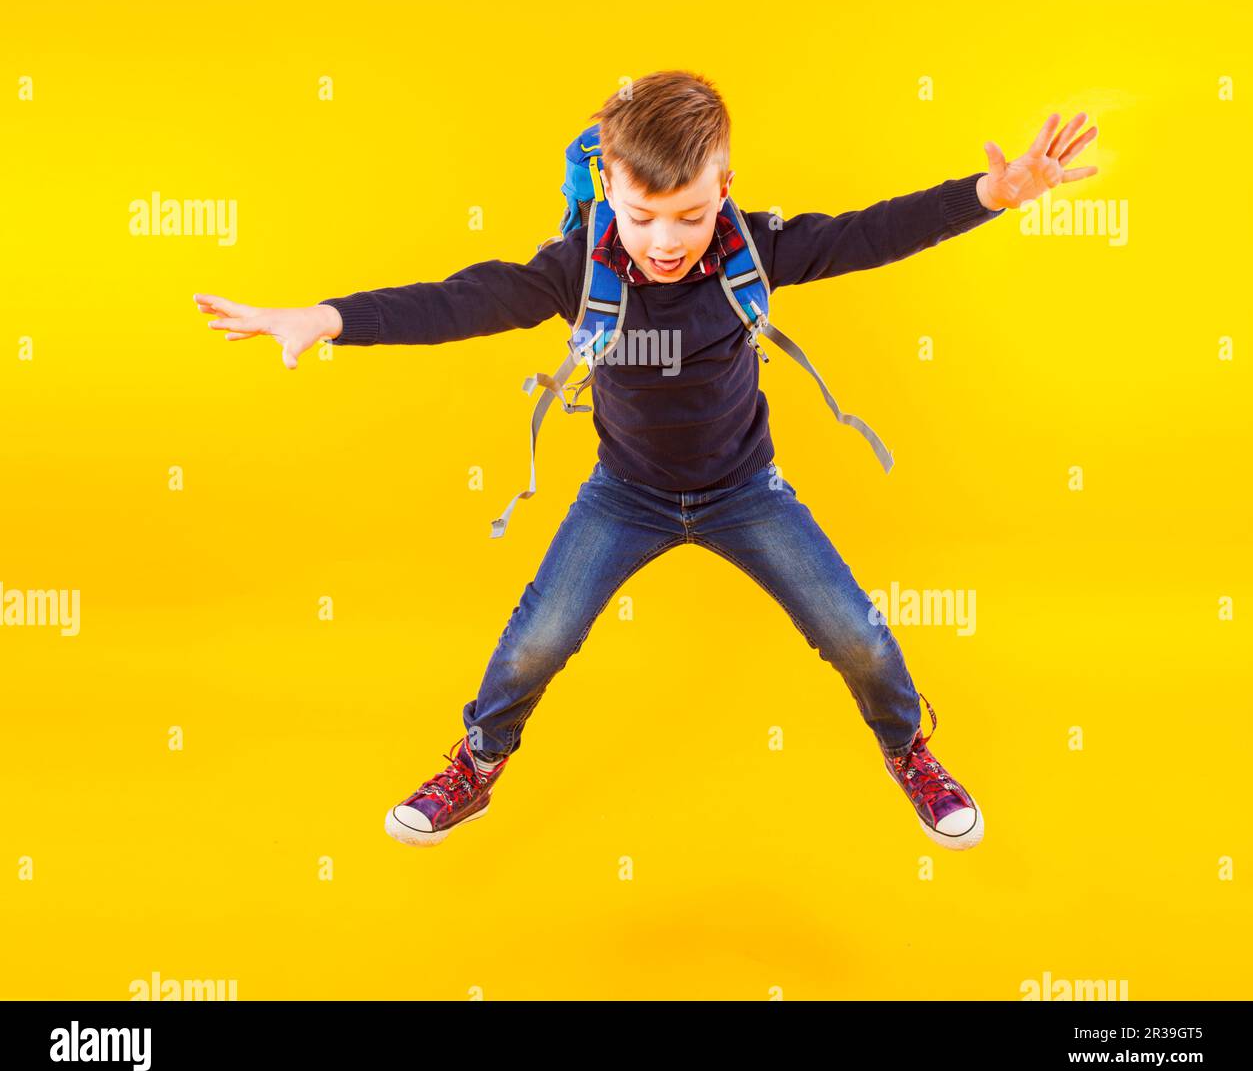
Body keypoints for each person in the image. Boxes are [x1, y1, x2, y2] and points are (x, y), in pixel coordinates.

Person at [194, 70, 1097, 853]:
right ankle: (474, 765)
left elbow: (872, 231)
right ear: (606, 194)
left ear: (725, 188)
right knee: (534, 643)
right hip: (622, 497)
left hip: (748, 492)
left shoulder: (759, 249)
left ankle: (910, 752)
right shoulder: (577, 266)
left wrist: (992, 194)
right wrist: (328, 318)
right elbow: (461, 299)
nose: (666, 241)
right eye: (641, 217)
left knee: (855, 634)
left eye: (691, 215)